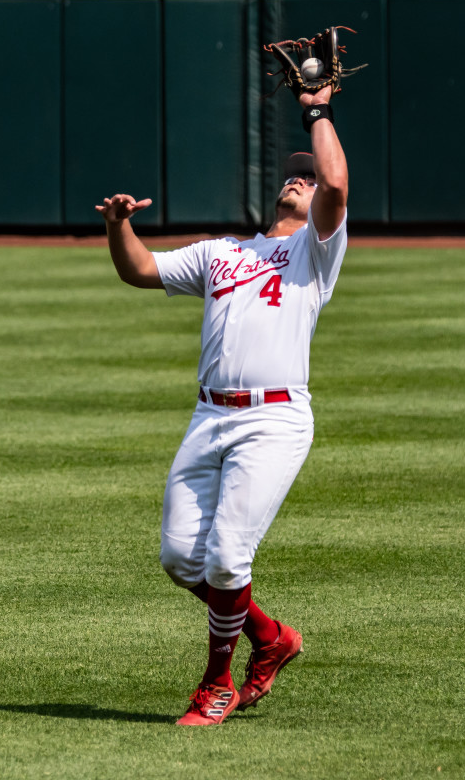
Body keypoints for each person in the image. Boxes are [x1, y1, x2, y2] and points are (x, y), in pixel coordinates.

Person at [95, 82, 349, 726]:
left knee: (229, 557)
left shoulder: (314, 254)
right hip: (210, 417)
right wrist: (117, 224)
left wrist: (316, 112)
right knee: (182, 558)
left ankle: (216, 684)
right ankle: (272, 637)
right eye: (292, 177)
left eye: (307, 178)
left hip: (275, 419)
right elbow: (140, 271)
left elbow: (338, 184)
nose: (300, 182)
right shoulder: (222, 252)